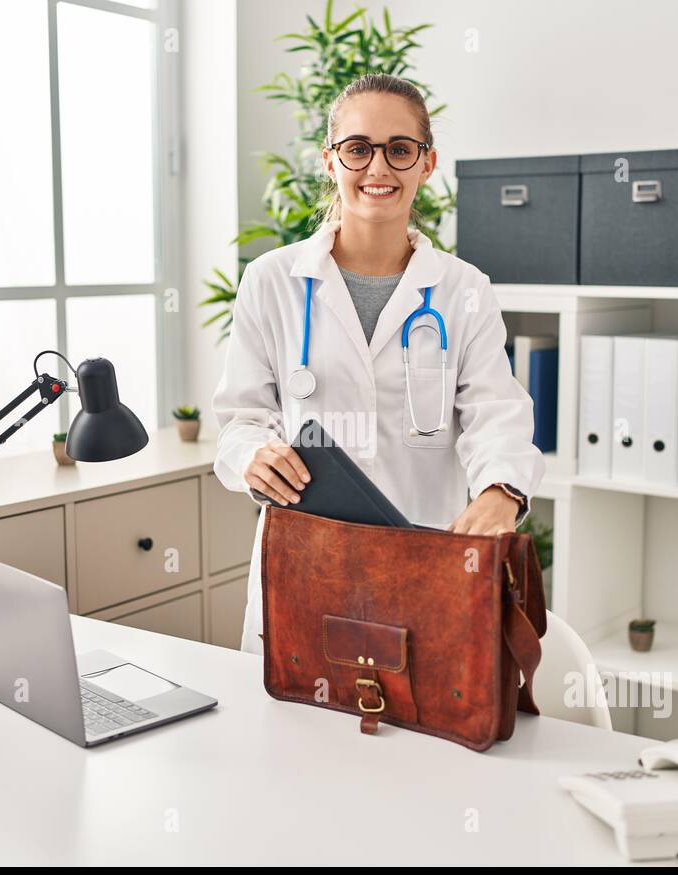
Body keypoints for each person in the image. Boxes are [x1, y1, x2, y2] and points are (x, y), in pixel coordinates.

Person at [212, 73, 545, 655]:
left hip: (423, 560)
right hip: (305, 560)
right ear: (330, 160)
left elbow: (496, 411)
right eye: (358, 148)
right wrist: (250, 458)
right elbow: (241, 417)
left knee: (421, 727)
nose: (378, 168)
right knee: (290, 732)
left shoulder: (463, 289)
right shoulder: (271, 281)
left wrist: (501, 490)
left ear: (427, 163)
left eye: (400, 149)